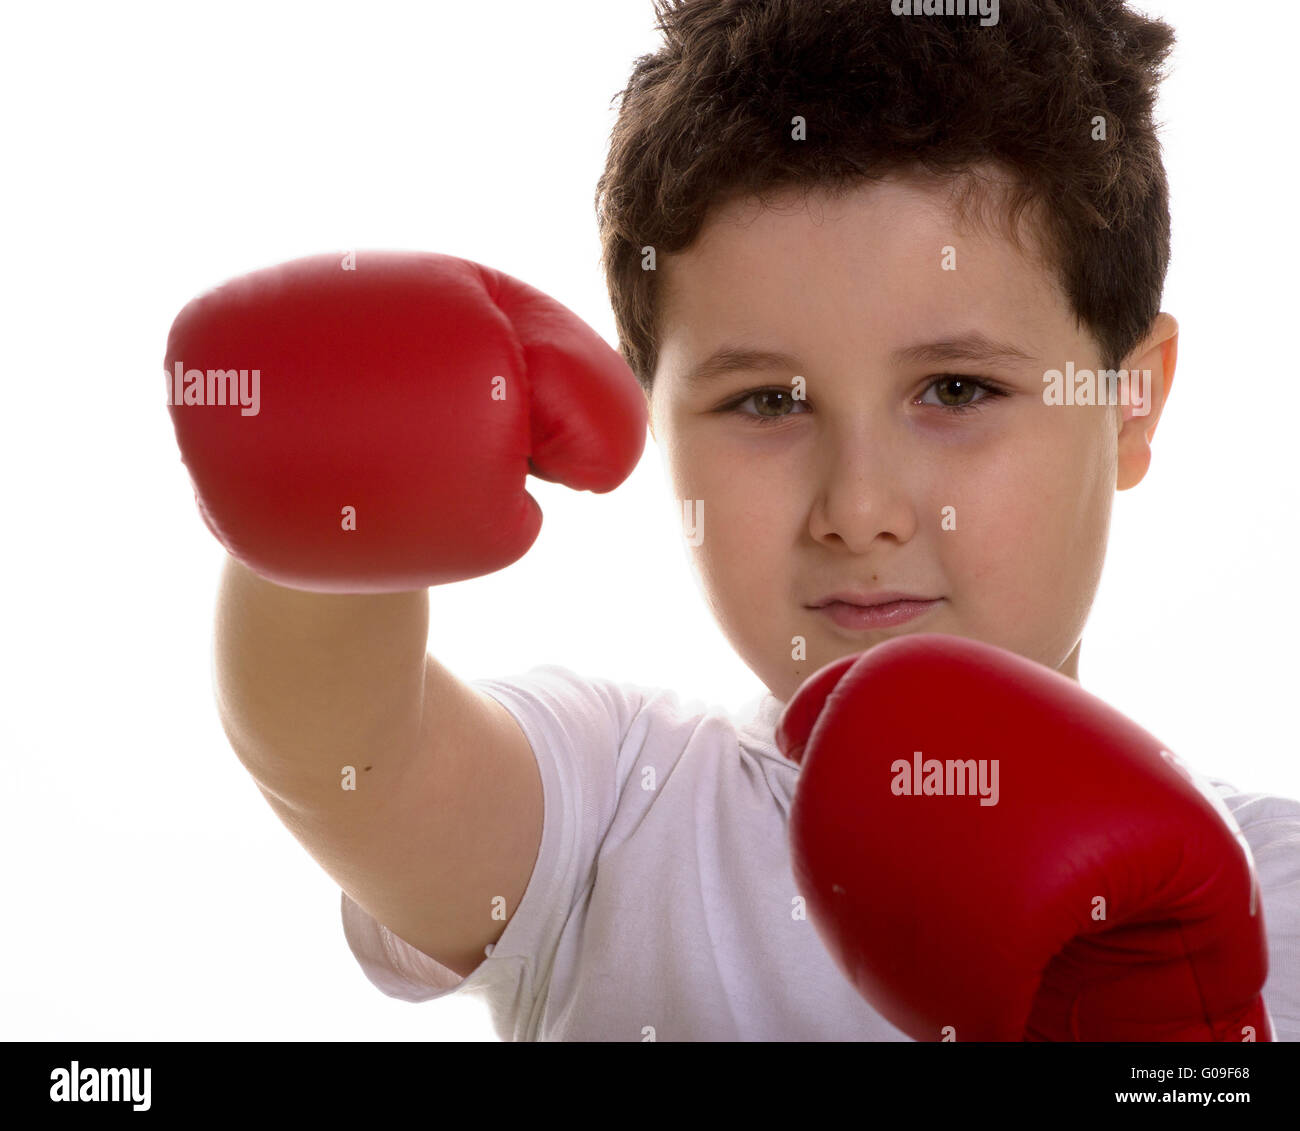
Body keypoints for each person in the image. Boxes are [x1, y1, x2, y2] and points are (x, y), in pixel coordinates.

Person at [167, 0, 1300, 1041]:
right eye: (766, 402)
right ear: (650, 419)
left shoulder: (1278, 889)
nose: (858, 510)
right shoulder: (608, 809)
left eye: (957, 390)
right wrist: (332, 513)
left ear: (1127, 404)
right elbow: (346, 755)